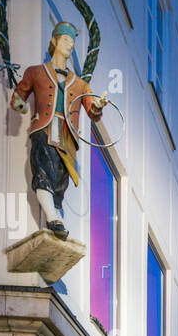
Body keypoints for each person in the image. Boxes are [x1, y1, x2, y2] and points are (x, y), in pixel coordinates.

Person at [8, 22, 108, 239]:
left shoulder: (80, 84)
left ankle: (54, 222)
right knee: (44, 168)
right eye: (65, 40)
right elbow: (18, 97)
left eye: (72, 42)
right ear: (54, 41)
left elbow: (92, 111)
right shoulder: (35, 72)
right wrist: (19, 104)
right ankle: (54, 219)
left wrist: (98, 106)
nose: (69, 45)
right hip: (45, 127)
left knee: (60, 181)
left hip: (67, 135)